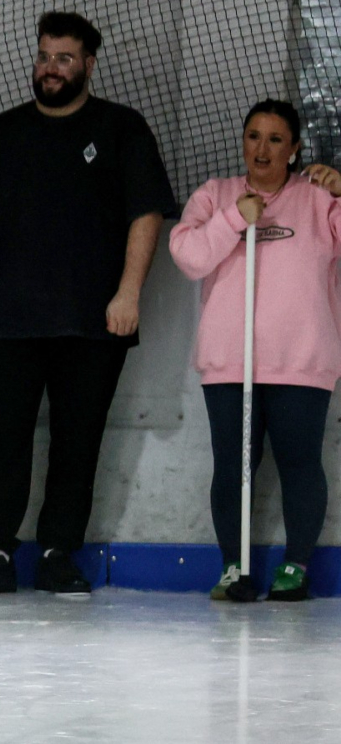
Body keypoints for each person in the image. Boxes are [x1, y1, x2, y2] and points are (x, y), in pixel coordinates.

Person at [0, 12, 175, 595]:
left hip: (93, 321)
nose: (51, 68)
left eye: (65, 58)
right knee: (6, 442)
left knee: (78, 441)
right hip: (10, 322)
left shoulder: (123, 129)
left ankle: (58, 553)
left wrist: (128, 294)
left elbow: (145, 215)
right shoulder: (2, 133)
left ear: (89, 64)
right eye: (46, 56)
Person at [168, 100, 341, 602]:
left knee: (300, 462)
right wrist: (232, 219)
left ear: (294, 150)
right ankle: (233, 567)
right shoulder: (214, 195)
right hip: (230, 363)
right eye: (253, 136)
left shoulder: (317, 199)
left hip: (301, 361)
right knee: (232, 466)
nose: (261, 149)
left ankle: (296, 567)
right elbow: (190, 257)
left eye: (275, 139)